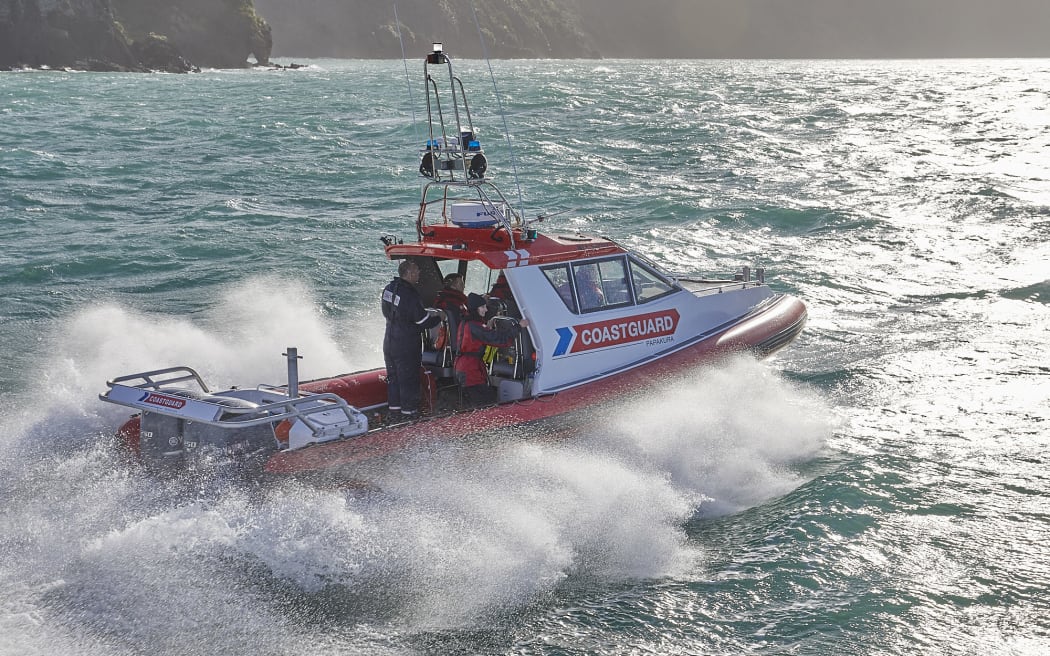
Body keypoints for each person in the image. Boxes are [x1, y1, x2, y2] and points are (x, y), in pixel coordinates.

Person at [381, 260, 444, 416]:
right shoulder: (410, 294)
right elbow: (423, 321)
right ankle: (409, 416)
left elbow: (385, 311)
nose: (419, 274)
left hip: (389, 341)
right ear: (408, 273)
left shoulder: (389, 289)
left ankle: (395, 415)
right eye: (416, 271)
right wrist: (439, 317)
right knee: (408, 380)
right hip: (406, 345)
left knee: (393, 378)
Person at [455, 293, 529, 405]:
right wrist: (518, 326)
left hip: (462, 367)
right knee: (485, 403)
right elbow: (499, 339)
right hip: (471, 371)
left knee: (471, 404)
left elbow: (476, 336)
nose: (485, 310)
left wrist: (487, 327)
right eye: (483, 307)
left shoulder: (465, 322)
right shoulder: (475, 326)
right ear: (476, 309)